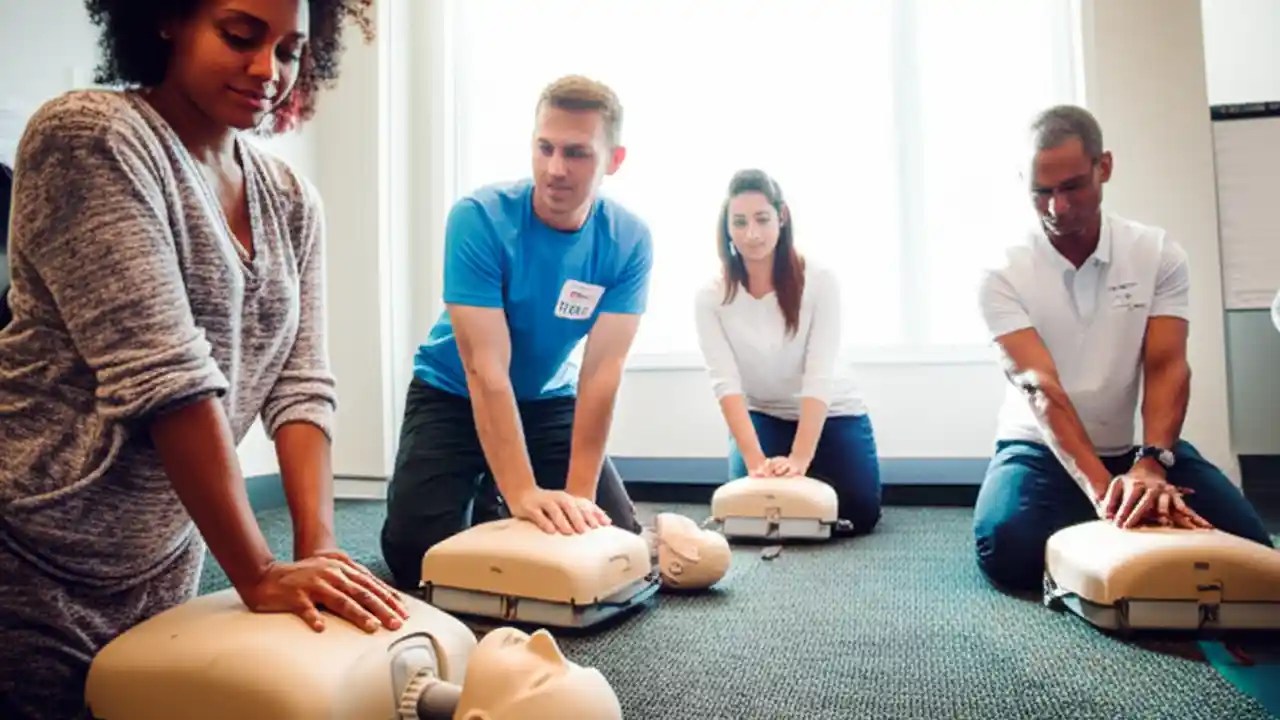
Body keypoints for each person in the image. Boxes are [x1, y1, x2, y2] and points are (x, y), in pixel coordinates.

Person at [0, 2, 408, 717]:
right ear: (166, 18)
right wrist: (257, 569)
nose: (268, 71)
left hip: (165, 557)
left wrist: (317, 548)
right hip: (35, 557)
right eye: (241, 36)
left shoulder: (291, 201)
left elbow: (302, 383)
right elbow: (166, 378)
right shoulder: (90, 138)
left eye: (289, 51)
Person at [973, 104, 1275, 592]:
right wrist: (1104, 494)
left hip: (1133, 449)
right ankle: (1101, 511)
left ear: (1104, 167)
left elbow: (1167, 366)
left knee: (1252, 550)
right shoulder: (1002, 271)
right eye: (1041, 192)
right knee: (1005, 550)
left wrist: (1151, 463)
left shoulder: (1156, 254)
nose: (1057, 208)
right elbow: (1038, 386)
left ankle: (1126, 503)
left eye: (1072, 187)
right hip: (1039, 448)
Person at [380, 75, 652, 590]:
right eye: (545, 148)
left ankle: (498, 492)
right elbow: (486, 368)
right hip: (452, 392)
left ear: (613, 160)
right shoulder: (478, 219)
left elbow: (602, 371)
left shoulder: (629, 240)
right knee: (417, 558)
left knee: (613, 539)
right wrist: (523, 491)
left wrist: (579, 500)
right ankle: (495, 490)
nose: (555, 169)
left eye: (576, 153)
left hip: (546, 399)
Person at [694, 169, 882, 535]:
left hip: (833, 412)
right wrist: (754, 461)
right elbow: (725, 383)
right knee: (749, 512)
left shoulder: (820, 280)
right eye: (740, 222)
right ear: (727, 228)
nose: (752, 234)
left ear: (781, 217)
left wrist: (799, 458)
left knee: (859, 512)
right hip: (764, 413)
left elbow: (819, 374)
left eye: (762, 219)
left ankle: (812, 471)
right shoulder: (710, 296)